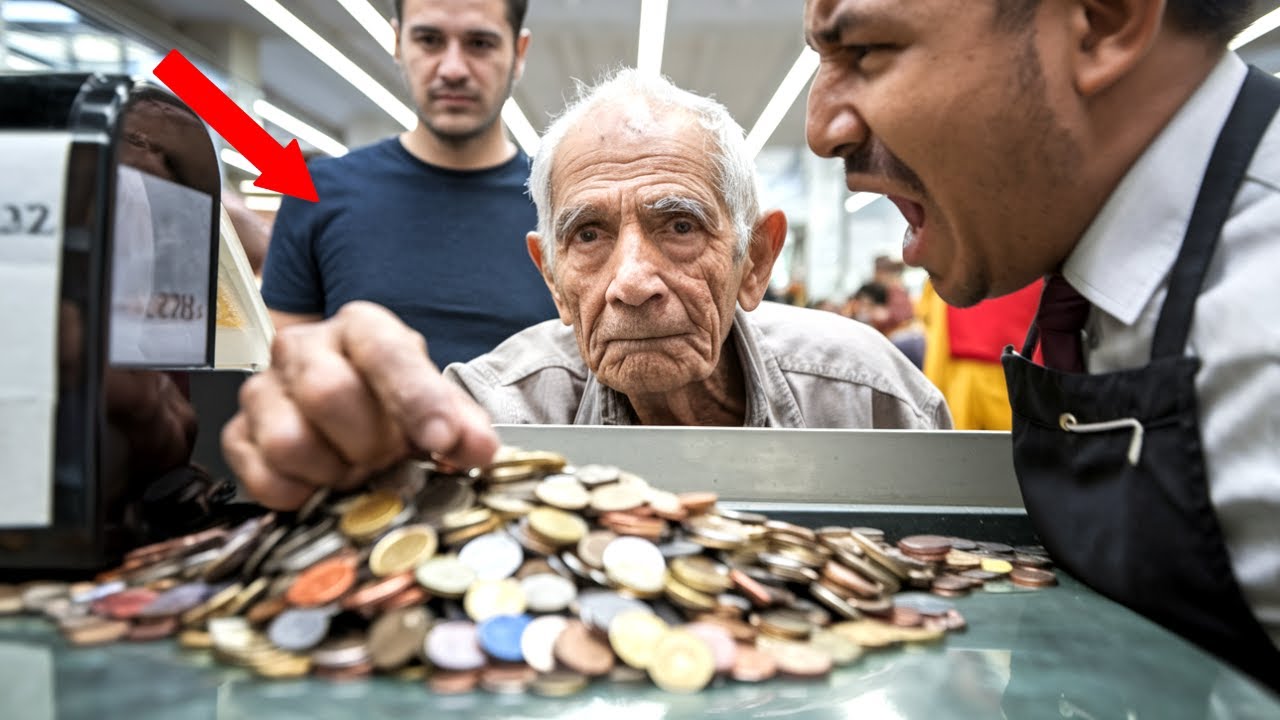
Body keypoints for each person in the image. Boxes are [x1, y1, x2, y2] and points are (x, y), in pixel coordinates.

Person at [803, 0, 1279, 690]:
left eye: (869, 50)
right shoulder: (1072, 265)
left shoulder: (1259, 339)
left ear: (1102, 22)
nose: (822, 129)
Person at [224, 68, 951, 508]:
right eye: (590, 236)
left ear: (755, 261)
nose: (631, 283)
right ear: (551, 278)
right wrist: (332, 460)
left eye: (679, 225)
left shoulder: (871, 397)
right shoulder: (489, 416)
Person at [260, 0, 558, 369]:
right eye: (429, 40)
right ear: (399, 43)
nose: (452, 69)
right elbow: (288, 370)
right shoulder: (317, 193)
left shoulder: (559, 202)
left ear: (518, 52)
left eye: (480, 43)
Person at [916, 279, 1042, 430]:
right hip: (1012, 378)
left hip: (971, 378)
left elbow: (926, 314)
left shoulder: (949, 265)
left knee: (957, 448)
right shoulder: (1042, 266)